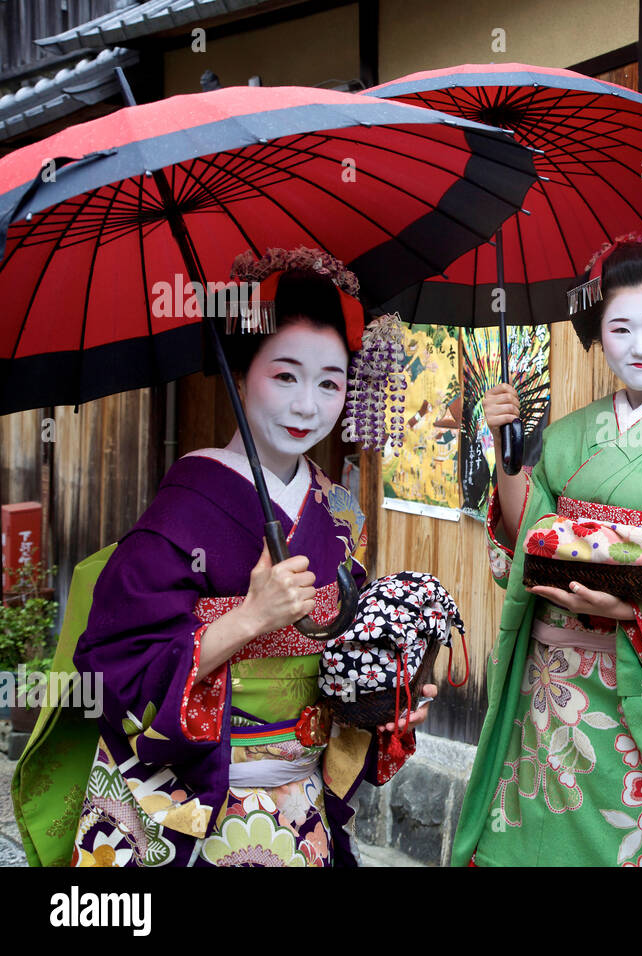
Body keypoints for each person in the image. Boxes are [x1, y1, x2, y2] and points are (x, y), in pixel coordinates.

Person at [66, 248, 435, 867]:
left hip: (301, 804)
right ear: (241, 374)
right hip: (193, 803)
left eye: (330, 382)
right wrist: (248, 620)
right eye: (284, 375)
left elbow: (341, 669)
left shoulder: (336, 513)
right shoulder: (182, 514)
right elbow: (107, 671)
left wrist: (386, 689)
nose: (307, 405)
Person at [452, 234, 642, 866]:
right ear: (599, 333)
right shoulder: (569, 437)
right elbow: (524, 539)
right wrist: (505, 442)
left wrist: (631, 614)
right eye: (620, 328)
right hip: (553, 690)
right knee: (540, 839)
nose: (641, 346)